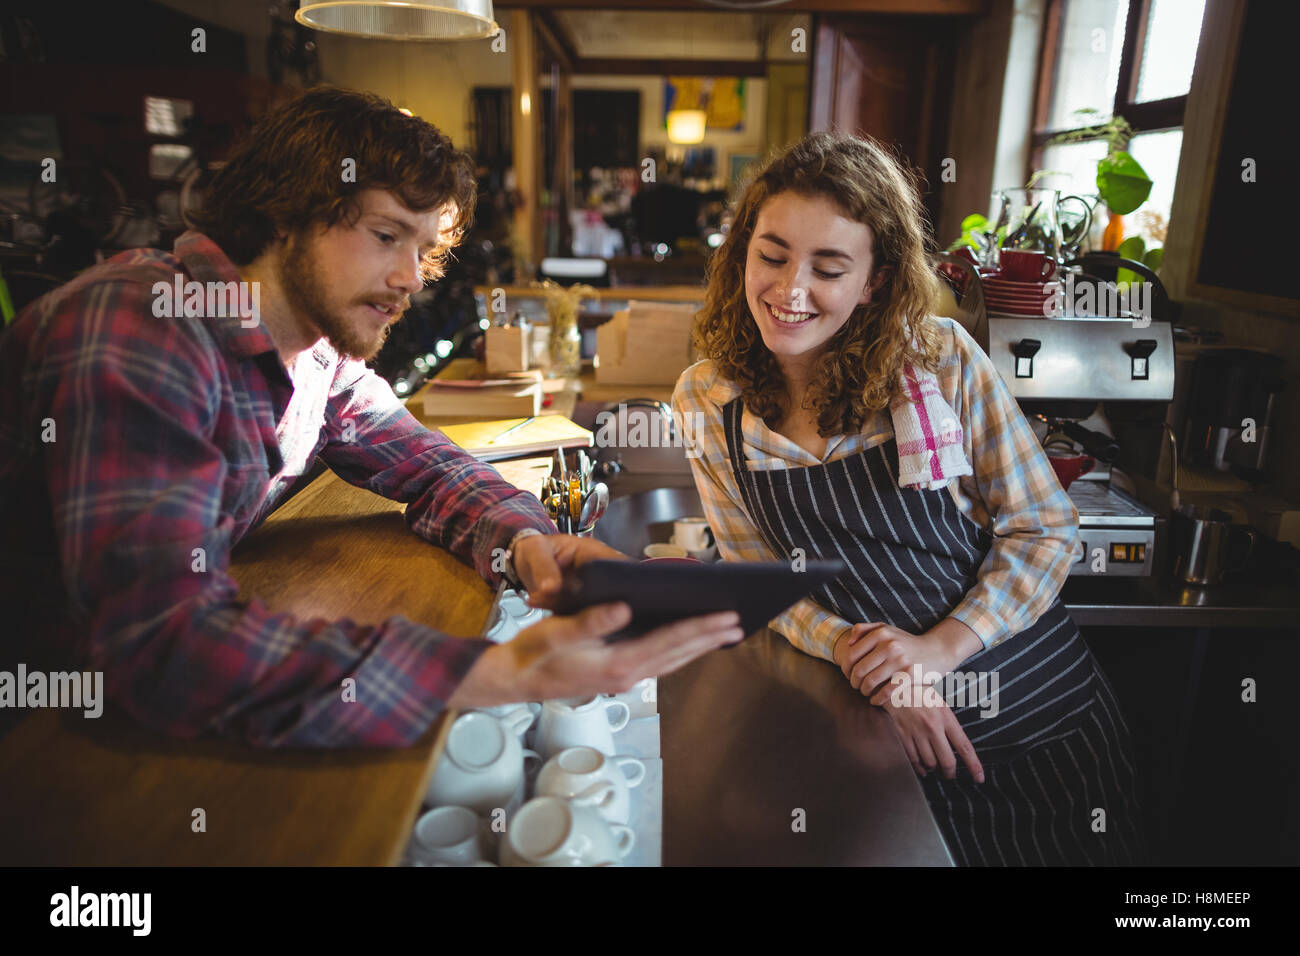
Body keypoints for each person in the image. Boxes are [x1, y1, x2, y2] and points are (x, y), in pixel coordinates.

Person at [0, 86, 744, 747]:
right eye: (387, 236)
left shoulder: (318, 356)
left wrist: (529, 544)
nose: (411, 279)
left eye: (426, 249)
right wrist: (500, 670)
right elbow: (161, 648)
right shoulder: (141, 327)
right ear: (286, 213)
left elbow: (432, 466)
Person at [672, 131, 1147, 866]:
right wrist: (874, 665)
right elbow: (753, 567)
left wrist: (932, 655)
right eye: (770, 256)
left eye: (828, 268)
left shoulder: (941, 361)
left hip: (1040, 727)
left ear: (877, 283)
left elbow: (1044, 529)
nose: (789, 291)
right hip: (888, 747)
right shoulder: (709, 399)